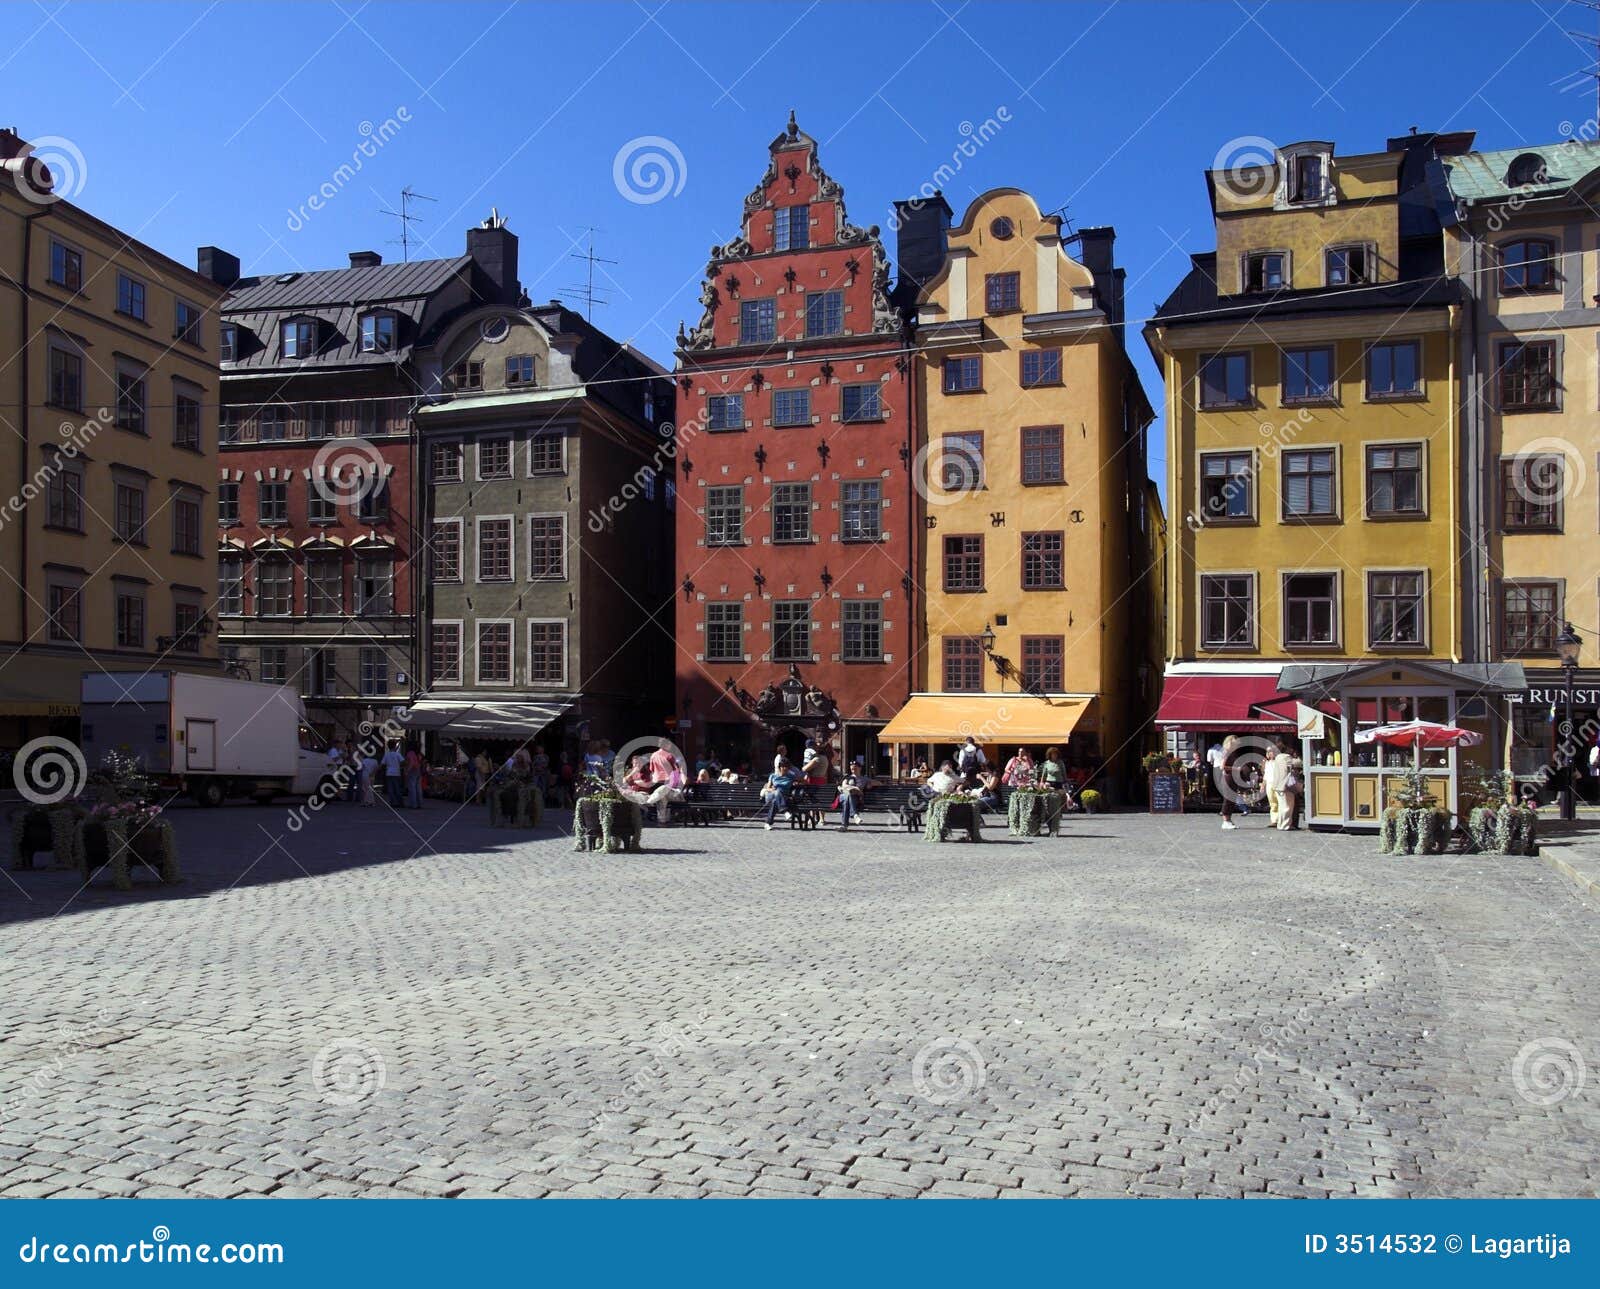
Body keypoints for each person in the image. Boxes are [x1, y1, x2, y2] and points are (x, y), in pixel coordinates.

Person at [762, 758, 799, 830]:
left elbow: (801, 781)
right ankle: (785, 811)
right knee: (777, 792)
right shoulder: (773, 776)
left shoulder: (791, 776)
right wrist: (772, 789)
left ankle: (767, 823)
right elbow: (768, 788)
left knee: (775, 802)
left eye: (787, 767)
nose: (785, 768)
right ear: (779, 767)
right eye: (783, 766)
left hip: (784, 798)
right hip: (771, 795)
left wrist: (796, 783)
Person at [1277, 744, 1304, 831]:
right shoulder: (1286, 757)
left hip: (1278, 785)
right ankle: (1285, 825)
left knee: (1281, 807)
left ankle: (1280, 824)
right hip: (1286, 785)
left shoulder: (1278, 757)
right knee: (1287, 807)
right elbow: (1298, 763)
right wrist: (1299, 757)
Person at [836, 762, 867, 830]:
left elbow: (878, 783)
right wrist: (855, 788)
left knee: (847, 799)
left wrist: (870, 784)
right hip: (842, 796)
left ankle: (844, 825)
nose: (853, 769)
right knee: (848, 795)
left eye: (855, 768)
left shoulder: (864, 779)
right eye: (852, 769)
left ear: (860, 768)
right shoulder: (848, 777)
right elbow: (844, 786)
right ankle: (854, 815)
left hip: (855, 798)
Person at [381, 740, 404, 807]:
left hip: (388, 773)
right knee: (397, 789)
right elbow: (403, 762)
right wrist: (399, 765)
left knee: (390, 789)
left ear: (388, 747)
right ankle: (400, 803)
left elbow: (382, 764)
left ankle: (392, 803)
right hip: (396, 773)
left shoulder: (386, 755)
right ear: (395, 746)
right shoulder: (397, 754)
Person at [404, 743, 424, 810]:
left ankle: (413, 804)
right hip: (418, 770)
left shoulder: (410, 753)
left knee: (412, 788)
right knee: (418, 788)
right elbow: (420, 762)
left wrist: (407, 771)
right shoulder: (419, 753)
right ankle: (420, 804)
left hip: (412, 771)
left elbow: (411, 763)